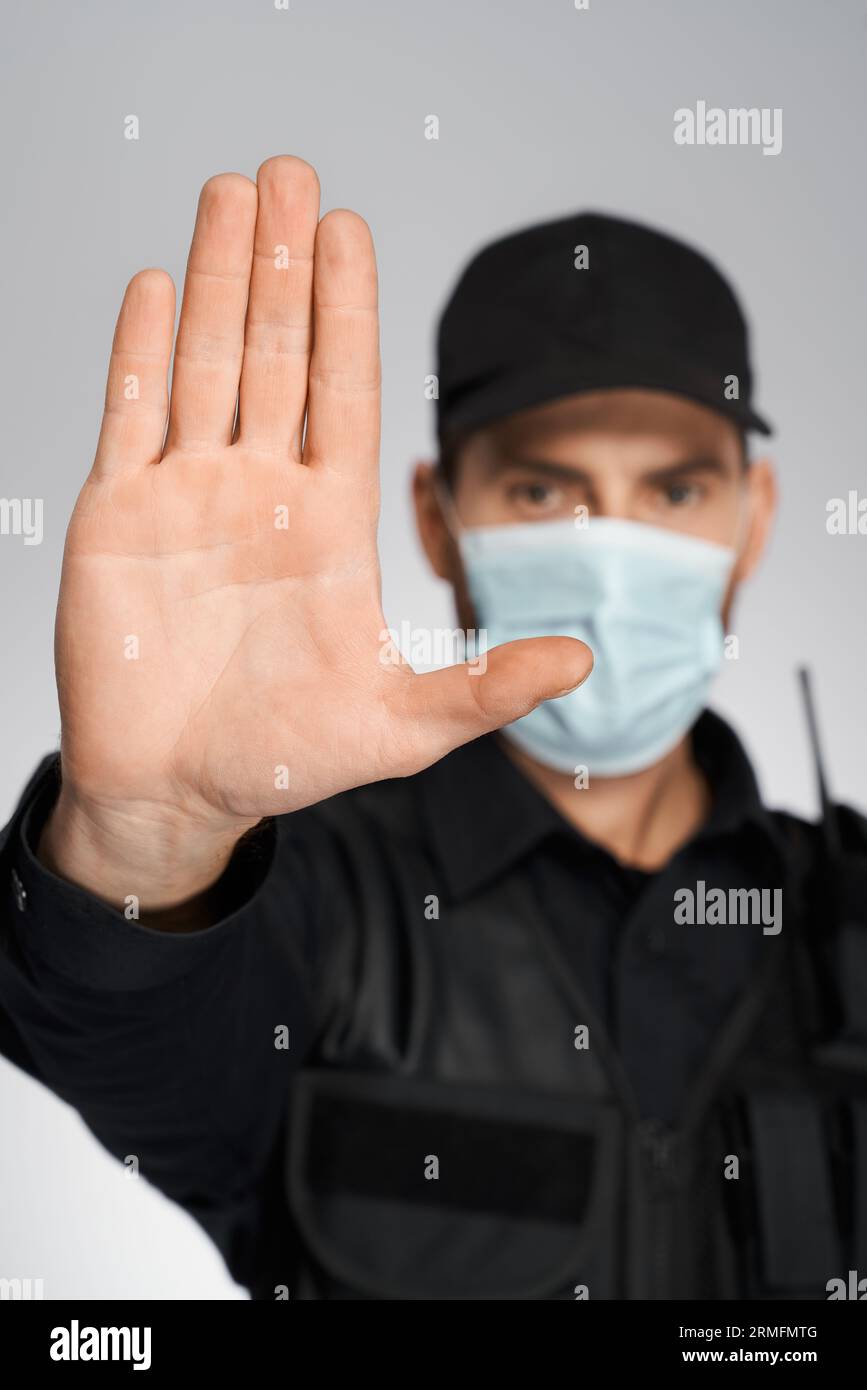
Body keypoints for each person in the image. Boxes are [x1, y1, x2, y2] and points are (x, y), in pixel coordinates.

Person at [1, 156, 865, 1301]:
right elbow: (106, 1029)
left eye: (672, 492)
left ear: (752, 521)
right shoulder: (306, 899)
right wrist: (148, 841)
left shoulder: (848, 920)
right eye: (543, 491)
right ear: (438, 517)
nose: (611, 553)